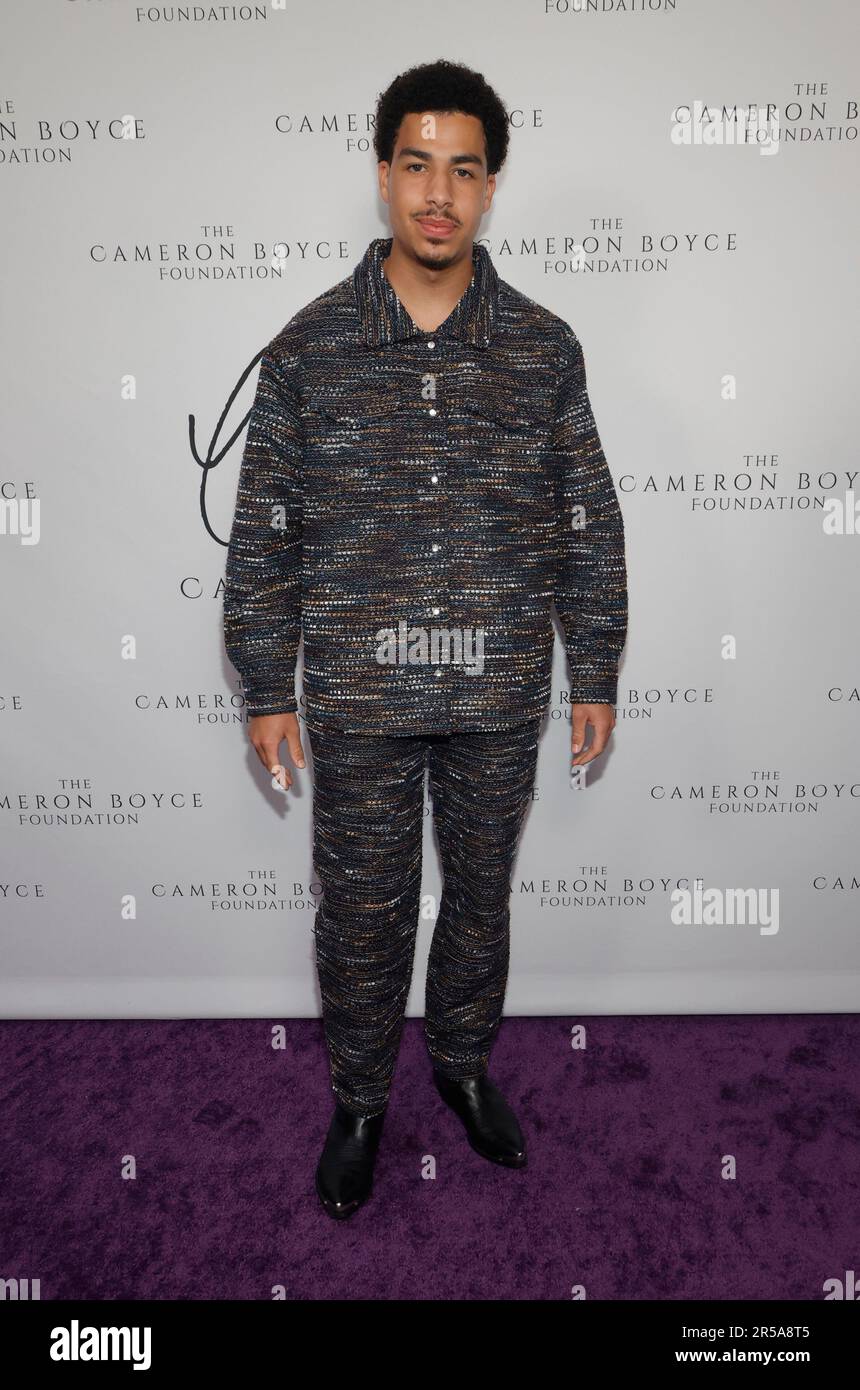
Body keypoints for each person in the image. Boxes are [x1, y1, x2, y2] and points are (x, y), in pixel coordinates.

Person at [222, 58, 628, 1219]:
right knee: (361, 910)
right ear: (382, 175)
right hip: (358, 694)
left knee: (483, 898)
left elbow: (584, 516)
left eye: (463, 169)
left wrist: (590, 664)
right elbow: (266, 534)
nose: (438, 193)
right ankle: (359, 1099)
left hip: (499, 690)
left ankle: (458, 1063)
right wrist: (265, 683)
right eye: (416, 165)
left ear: (491, 185)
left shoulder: (545, 349)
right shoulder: (307, 351)